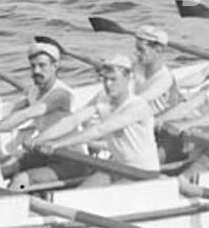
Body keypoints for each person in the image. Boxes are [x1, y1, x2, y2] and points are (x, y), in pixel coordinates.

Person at [37, 53, 160, 186]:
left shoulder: (137, 106)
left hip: (143, 174)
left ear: (128, 78)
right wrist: (39, 139)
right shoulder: (102, 98)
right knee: (80, 193)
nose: (108, 84)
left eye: (113, 80)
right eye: (104, 79)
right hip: (118, 168)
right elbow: (72, 120)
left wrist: (57, 144)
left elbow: (99, 130)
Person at [0, 40, 77, 183]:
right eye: (33, 66)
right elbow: (11, 111)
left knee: (21, 180)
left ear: (55, 66)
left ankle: (17, 195)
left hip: (72, 160)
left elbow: (27, 114)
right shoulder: (34, 91)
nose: (36, 71)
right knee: (1, 170)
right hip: (44, 154)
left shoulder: (61, 94)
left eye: (42, 65)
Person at [133, 25, 181, 114]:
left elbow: (136, 104)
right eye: (136, 49)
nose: (136, 53)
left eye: (141, 50)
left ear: (157, 50)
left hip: (163, 120)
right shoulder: (137, 67)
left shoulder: (164, 79)